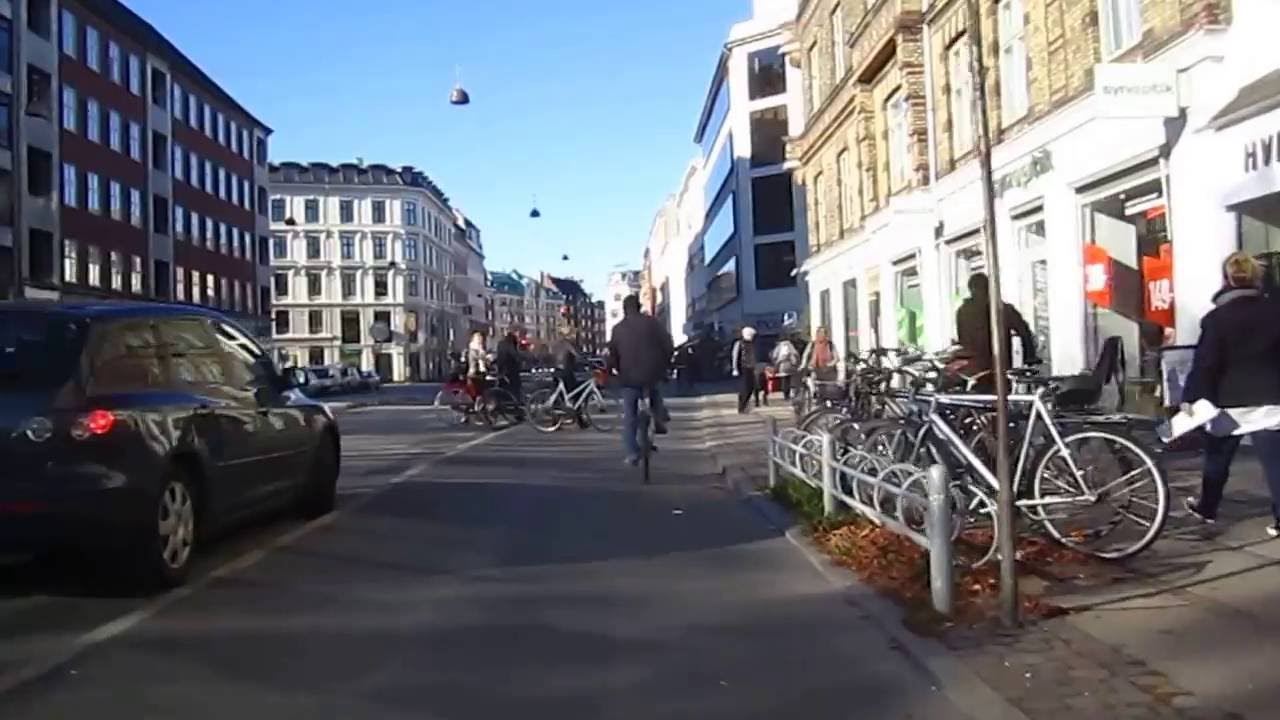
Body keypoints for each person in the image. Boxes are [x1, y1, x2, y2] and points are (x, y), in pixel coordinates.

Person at [1182, 252, 1280, 538]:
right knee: (1275, 463)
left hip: (1229, 400)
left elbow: (1206, 362)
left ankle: (1207, 508)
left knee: (1217, 459)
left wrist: (1192, 395)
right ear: (1256, 278)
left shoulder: (1216, 318)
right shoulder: (1275, 312)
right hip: (1271, 397)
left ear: (1226, 279)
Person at [608, 294, 674, 465]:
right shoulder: (652, 323)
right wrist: (666, 363)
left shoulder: (618, 329)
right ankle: (659, 417)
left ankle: (632, 452)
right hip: (652, 373)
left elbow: (612, 355)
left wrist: (613, 370)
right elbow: (668, 344)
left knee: (629, 415)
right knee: (655, 391)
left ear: (624, 310)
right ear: (639, 306)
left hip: (628, 378)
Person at [955, 273, 1039, 391]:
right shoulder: (1002, 309)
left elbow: (962, 338)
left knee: (977, 400)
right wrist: (1029, 356)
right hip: (999, 365)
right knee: (1001, 397)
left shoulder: (963, 311)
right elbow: (1024, 332)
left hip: (974, 367)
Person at [550, 329, 588, 428]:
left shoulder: (555, 344)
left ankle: (555, 421)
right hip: (566, 373)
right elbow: (577, 356)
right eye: (572, 334)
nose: (574, 336)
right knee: (578, 394)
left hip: (557, 371)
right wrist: (586, 361)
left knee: (559, 397)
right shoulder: (568, 344)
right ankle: (580, 420)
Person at [732, 327, 759, 414]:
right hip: (743, 368)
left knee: (751, 387)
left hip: (751, 368)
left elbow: (753, 356)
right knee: (744, 388)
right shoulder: (739, 344)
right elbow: (735, 356)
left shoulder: (751, 344)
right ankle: (742, 407)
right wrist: (735, 368)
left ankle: (745, 405)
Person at [771, 334, 800, 401]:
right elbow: (796, 354)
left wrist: (776, 362)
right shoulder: (790, 345)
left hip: (782, 365)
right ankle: (792, 393)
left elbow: (774, 356)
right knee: (791, 380)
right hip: (791, 365)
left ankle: (785, 395)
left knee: (784, 381)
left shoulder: (779, 346)